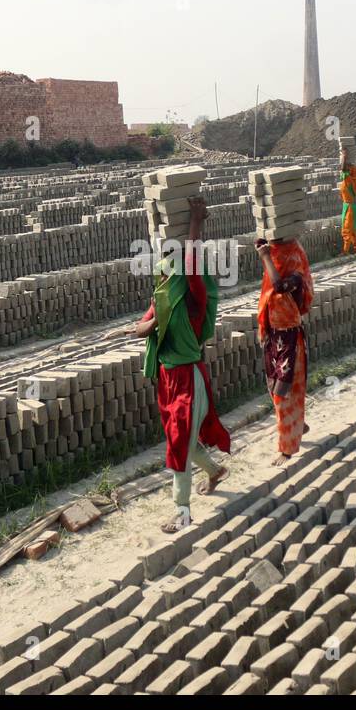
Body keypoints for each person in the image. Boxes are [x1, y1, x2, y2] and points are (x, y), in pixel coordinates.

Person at [128, 197, 231, 534]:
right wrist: (148, 321)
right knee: (180, 439)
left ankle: (182, 511)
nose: (164, 274)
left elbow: (190, 260)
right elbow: (143, 326)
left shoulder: (194, 299)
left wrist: (195, 224)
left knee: (178, 443)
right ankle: (214, 471)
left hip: (189, 378)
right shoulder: (162, 299)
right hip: (167, 378)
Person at [256, 233, 314, 464]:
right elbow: (271, 290)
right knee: (274, 388)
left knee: (283, 391)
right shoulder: (275, 273)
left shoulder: (296, 278)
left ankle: (287, 449)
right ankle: (298, 425)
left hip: (291, 340)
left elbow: (279, 286)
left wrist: (265, 258)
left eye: (281, 259)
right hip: (274, 337)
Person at [338, 142, 356, 255]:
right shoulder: (353, 179)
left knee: (347, 230)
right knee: (352, 230)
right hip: (349, 206)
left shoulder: (350, 180)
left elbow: (342, 169)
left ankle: (345, 251)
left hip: (349, 208)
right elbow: (343, 169)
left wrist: (343, 156)